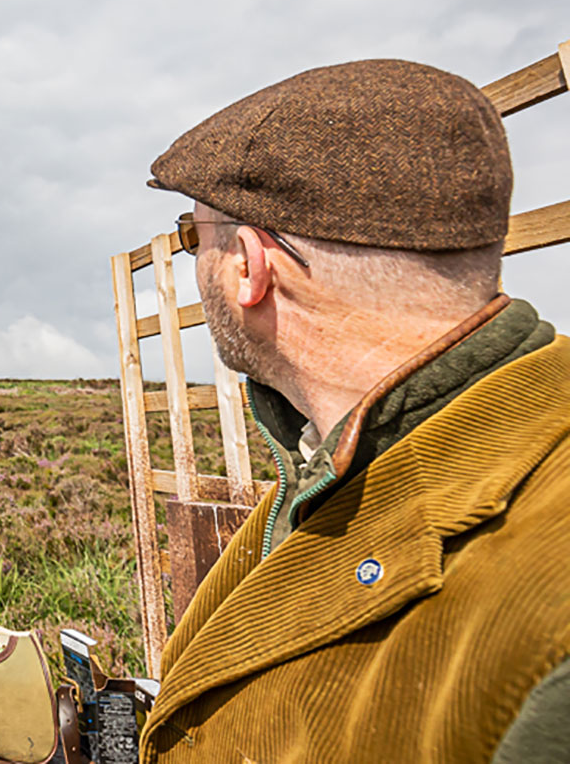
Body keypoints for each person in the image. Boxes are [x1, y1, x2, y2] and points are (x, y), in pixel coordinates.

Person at [136, 60, 569, 762]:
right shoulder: (335, 452)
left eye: (195, 235)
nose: (194, 254)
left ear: (249, 267)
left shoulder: (544, 602)